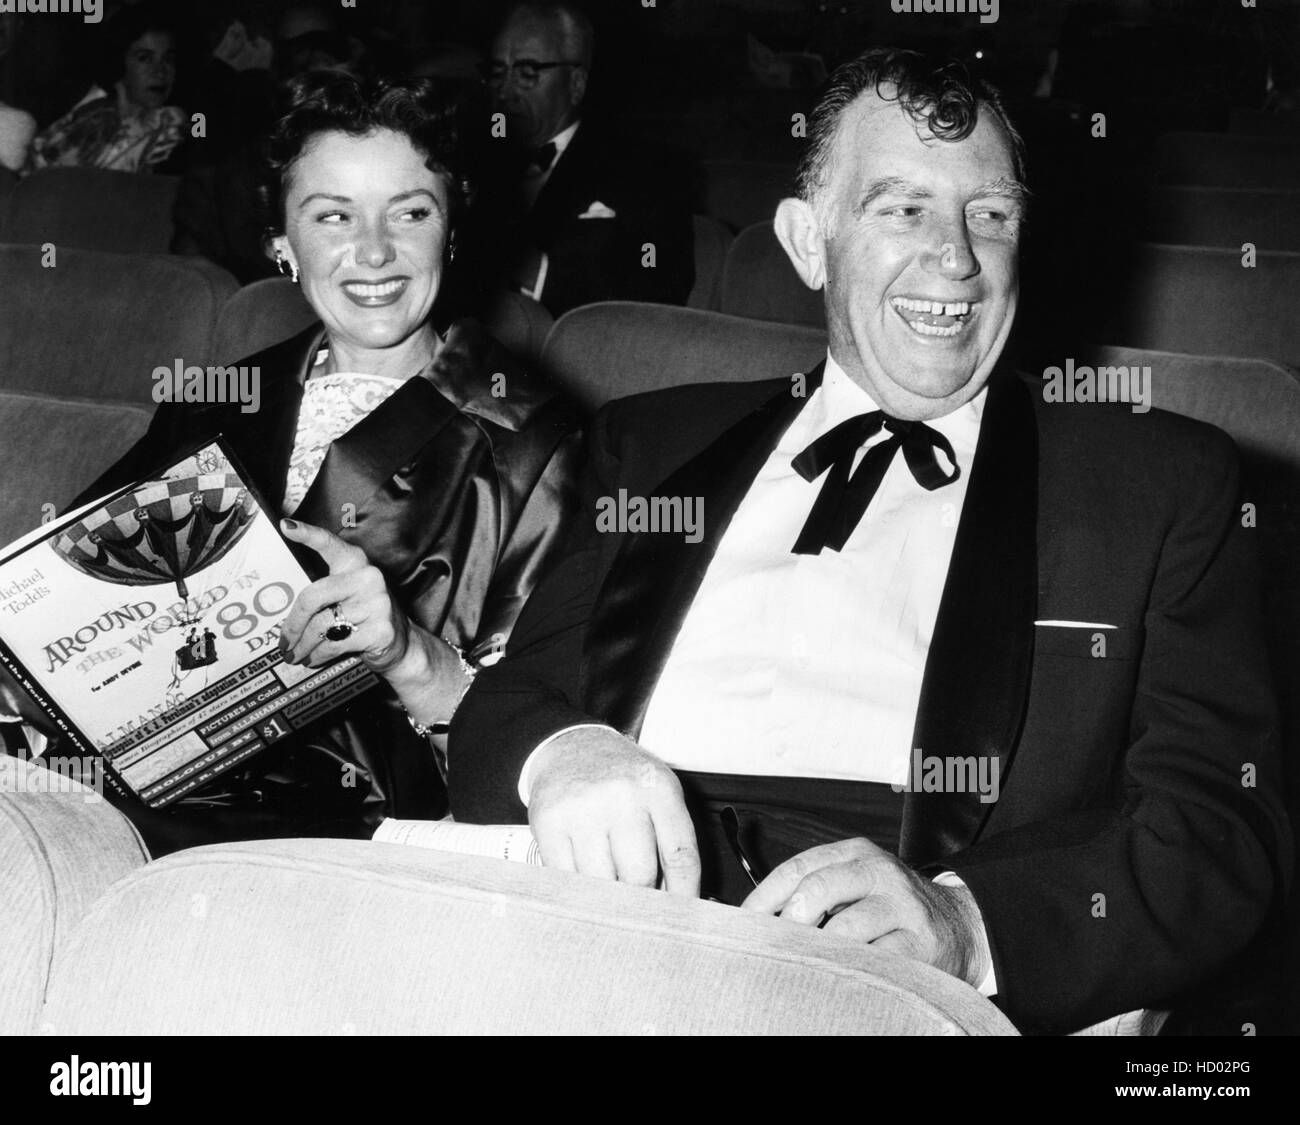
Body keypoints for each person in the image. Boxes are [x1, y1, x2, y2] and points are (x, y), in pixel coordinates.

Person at [447, 48, 1292, 1034]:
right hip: (616, 926)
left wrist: (970, 926)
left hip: (908, 957)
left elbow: (1222, 828)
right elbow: (511, 696)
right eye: (901, 207)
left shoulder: (1156, 482)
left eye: (990, 213)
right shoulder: (654, 441)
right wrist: (563, 753)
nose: (955, 256)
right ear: (809, 242)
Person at [22, 71, 582, 857]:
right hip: (143, 781)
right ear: (282, 243)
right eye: (332, 216)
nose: (375, 251)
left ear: (450, 233)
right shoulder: (218, 401)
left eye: (410, 212)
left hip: (357, 830)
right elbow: (64, 593)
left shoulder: (533, 437)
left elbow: (545, 750)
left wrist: (407, 654)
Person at [460, 1, 694, 319]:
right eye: (498, 73)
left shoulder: (645, 171)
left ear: (576, 84)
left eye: (528, 73)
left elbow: (658, 285)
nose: (505, 93)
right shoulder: (471, 163)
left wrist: (531, 270)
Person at [27, 3, 185, 175]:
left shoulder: (174, 127)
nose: (159, 72)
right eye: (144, 58)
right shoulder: (95, 121)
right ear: (119, 63)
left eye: (168, 59)